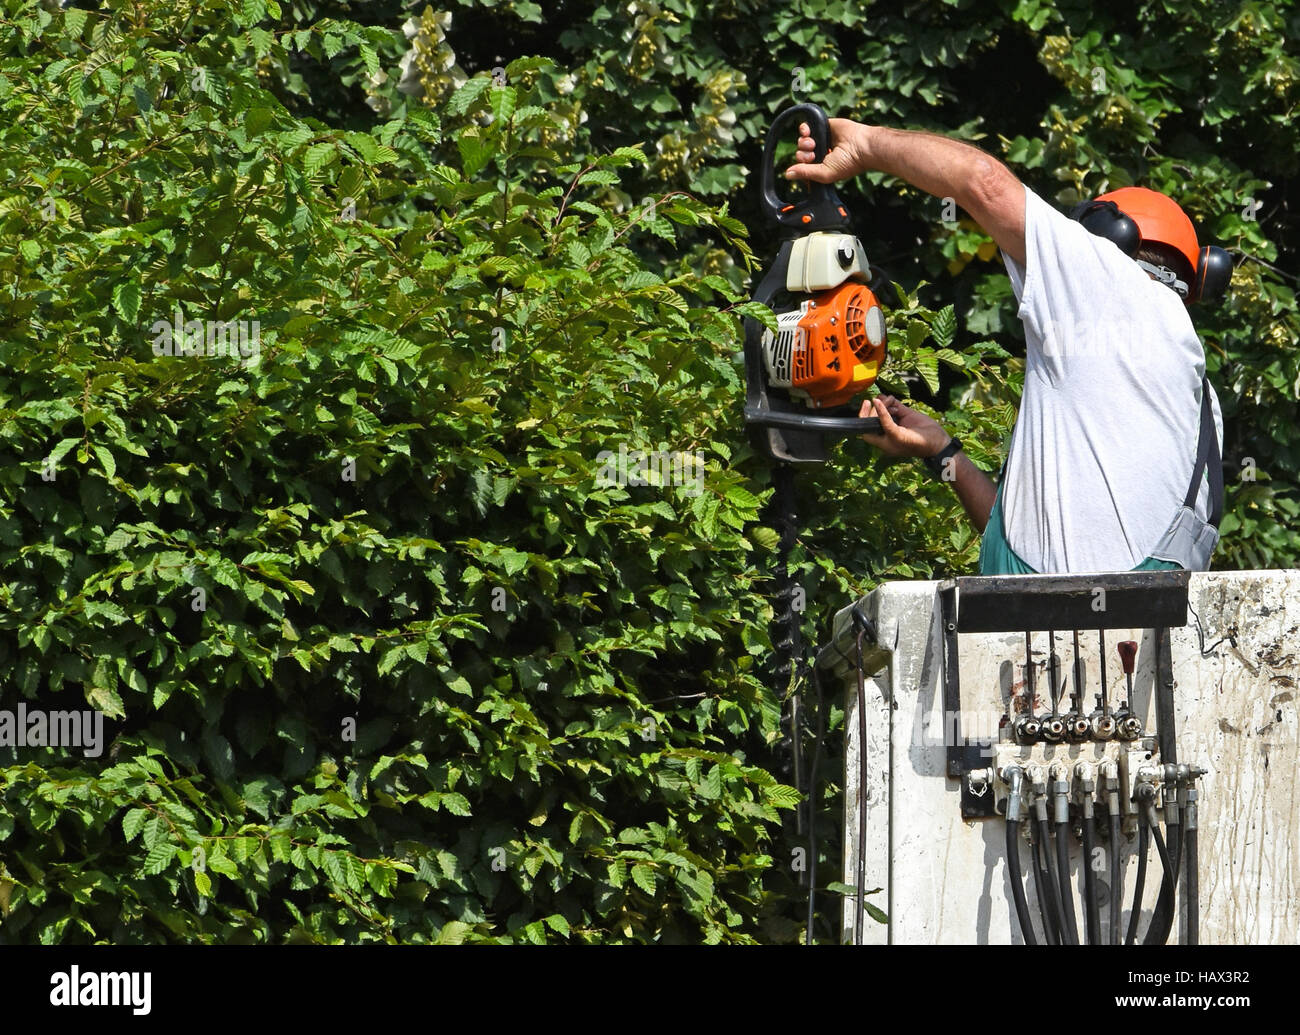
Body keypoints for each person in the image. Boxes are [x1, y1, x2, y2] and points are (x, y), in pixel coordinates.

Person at [786, 118, 1226, 575]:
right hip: (1099, 634)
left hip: (1066, 638)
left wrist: (867, 146)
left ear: (1107, 239)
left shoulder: (1107, 282)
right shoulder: (1201, 402)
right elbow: (1040, 554)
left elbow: (983, 182)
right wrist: (940, 450)